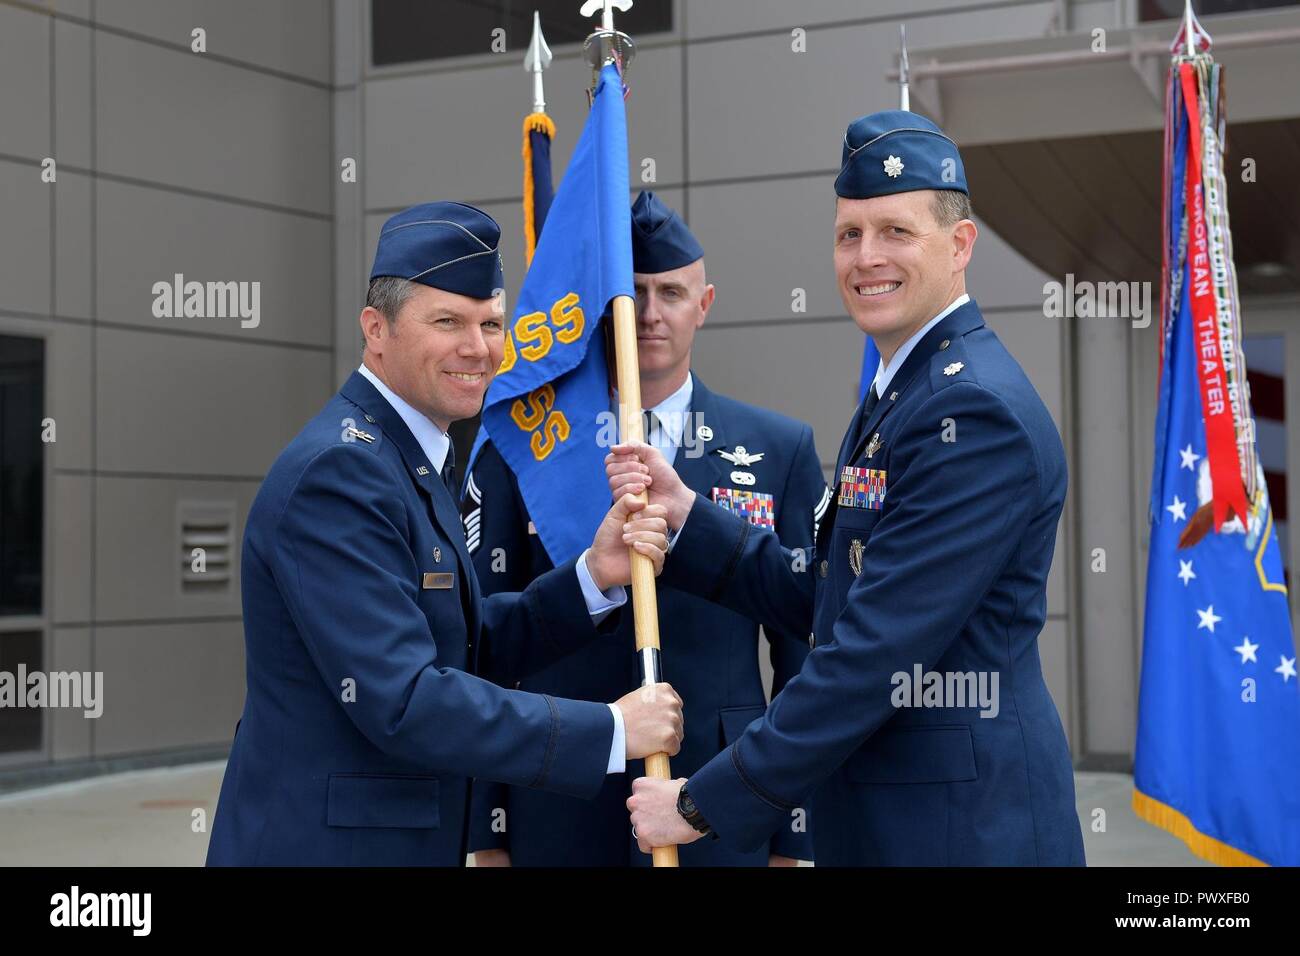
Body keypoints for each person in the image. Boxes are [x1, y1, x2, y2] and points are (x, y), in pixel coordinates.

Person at [610, 113, 1086, 866]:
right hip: (898, 821)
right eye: (849, 234)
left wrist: (703, 803)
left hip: (957, 832)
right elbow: (832, 594)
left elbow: (871, 654)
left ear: (960, 246)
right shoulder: (907, 392)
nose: (867, 258)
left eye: (896, 231)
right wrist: (688, 516)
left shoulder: (972, 410)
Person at [206, 201, 683, 867]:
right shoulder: (340, 473)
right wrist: (609, 730)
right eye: (447, 322)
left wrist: (592, 577)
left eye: (491, 323)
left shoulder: (404, 453)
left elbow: (458, 645)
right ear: (376, 328)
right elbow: (406, 698)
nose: (478, 348)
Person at [465, 191, 827, 867]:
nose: (652, 314)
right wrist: (489, 830)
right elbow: (485, 648)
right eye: (633, 294)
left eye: (672, 292)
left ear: (705, 303)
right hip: (559, 793)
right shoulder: (529, 448)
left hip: (720, 791)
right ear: (606, 306)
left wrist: (791, 828)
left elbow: (801, 651)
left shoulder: (778, 449)